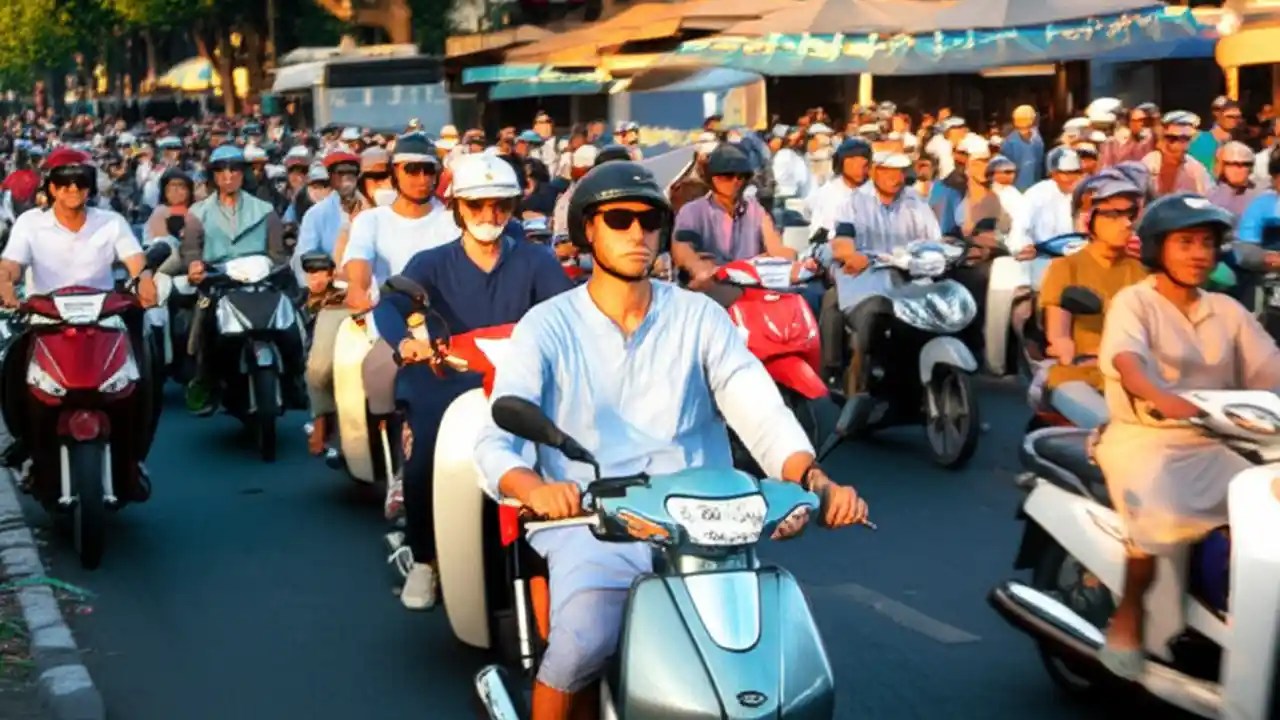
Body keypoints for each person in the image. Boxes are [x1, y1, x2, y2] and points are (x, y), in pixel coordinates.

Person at [473, 160, 868, 719]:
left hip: (704, 529)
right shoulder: (547, 325)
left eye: (650, 220)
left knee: (772, 662)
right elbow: (496, 438)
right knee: (584, 638)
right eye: (619, 219)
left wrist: (811, 478)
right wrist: (534, 488)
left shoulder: (700, 317)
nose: (637, 232)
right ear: (589, 229)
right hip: (593, 524)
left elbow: (760, 409)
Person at [1093, 193, 1280, 680]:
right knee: (1160, 507)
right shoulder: (1136, 302)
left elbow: (1269, 368)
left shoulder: (1226, 309)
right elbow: (1127, 361)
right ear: (1159, 247)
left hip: (1220, 440)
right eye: (1186, 242)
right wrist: (1160, 394)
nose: (1199, 253)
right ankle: (1130, 612)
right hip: (1148, 437)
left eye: (1207, 243)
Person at [376, 152, 572, 610]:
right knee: (424, 455)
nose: (489, 214)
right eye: (477, 204)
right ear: (457, 208)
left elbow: (567, 311)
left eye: (500, 204)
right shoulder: (430, 262)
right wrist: (405, 342)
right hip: (447, 378)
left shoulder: (537, 260)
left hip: (523, 380)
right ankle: (424, 558)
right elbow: (390, 305)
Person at [0, 148, 160, 480]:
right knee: (12, 360)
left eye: (81, 181)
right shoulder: (30, 223)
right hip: (46, 321)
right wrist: (5, 283)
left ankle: (136, 452)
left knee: (147, 364)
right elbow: (11, 264)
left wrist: (144, 279)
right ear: (51, 187)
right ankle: (24, 439)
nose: (73, 188)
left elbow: (134, 260)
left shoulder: (112, 222)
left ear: (91, 186)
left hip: (104, 320)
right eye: (64, 181)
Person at [179, 144, 291, 414]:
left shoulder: (265, 210)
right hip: (217, 282)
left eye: (234, 169)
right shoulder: (198, 212)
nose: (228, 176)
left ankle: (296, 377)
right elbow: (191, 250)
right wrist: (194, 266)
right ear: (213, 176)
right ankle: (205, 381)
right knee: (201, 323)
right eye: (221, 170)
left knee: (292, 320)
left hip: (261, 281)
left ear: (244, 174)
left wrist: (279, 267)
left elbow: (277, 254)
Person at [824, 151, 942, 390]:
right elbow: (842, 241)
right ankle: (853, 379)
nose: (895, 178)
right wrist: (850, 254)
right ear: (874, 171)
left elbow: (934, 241)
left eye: (900, 172)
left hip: (909, 280)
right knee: (869, 314)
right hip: (867, 281)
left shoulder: (916, 203)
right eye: (888, 171)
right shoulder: (853, 203)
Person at [1037, 173, 1148, 427]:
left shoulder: (1141, 272)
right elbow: (1059, 336)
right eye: (1113, 215)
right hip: (1082, 374)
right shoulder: (1066, 268)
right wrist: (1067, 350)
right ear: (1089, 220)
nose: (1126, 223)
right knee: (1110, 427)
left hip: (1136, 374)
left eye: (1130, 214)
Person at [805, 137, 871, 240]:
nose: (860, 168)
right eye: (853, 162)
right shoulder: (829, 193)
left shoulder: (872, 191)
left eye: (865, 164)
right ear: (841, 163)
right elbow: (824, 232)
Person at [1143, 112, 1212, 198]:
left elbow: (1208, 197)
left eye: (1186, 139)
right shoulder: (1149, 163)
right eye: (1173, 139)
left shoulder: (1195, 169)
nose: (1181, 145)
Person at [1206, 141, 1263, 219]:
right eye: (1232, 164)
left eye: (1245, 164)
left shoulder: (1261, 196)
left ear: (1251, 168)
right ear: (1222, 167)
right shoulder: (1211, 195)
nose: (1238, 169)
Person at [1001, 105, 1044, 191]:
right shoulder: (1010, 142)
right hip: (1017, 188)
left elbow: (1039, 163)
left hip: (1033, 186)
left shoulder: (1037, 139)